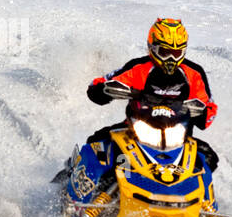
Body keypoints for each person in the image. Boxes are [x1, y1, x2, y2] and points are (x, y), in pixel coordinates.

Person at [86, 17, 219, 171]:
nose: (171, 58)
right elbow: (99, 83)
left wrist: (202, 114)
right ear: (152, 47)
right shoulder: (139, 68)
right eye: (165, 52)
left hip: (178, 137)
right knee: (96, 145)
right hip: (135, 132)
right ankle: (75, 184)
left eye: (176, 52)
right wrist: (103, 90)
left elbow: (209, 107)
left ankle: (203, 194)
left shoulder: (193, 73)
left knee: (208, 158)